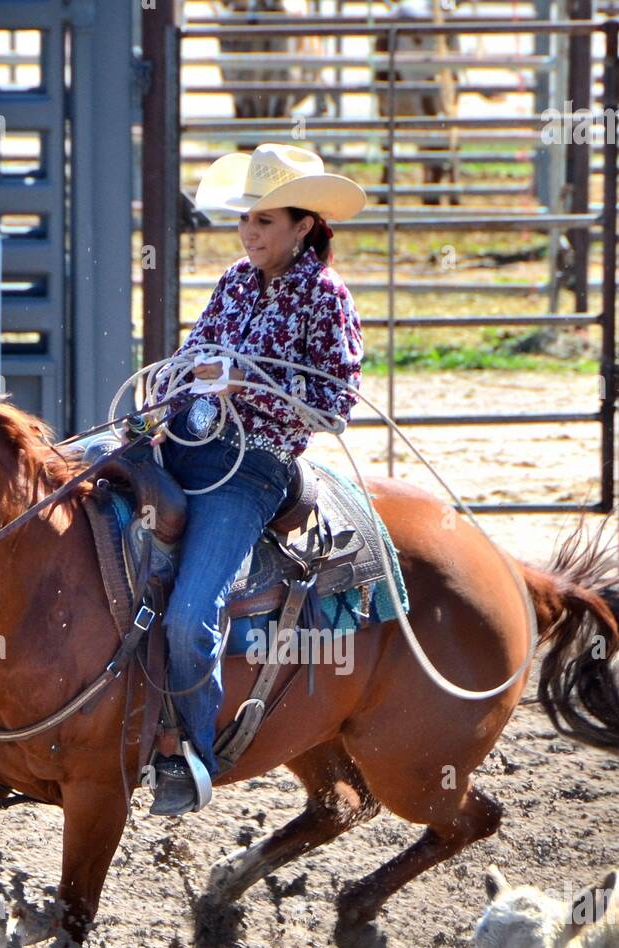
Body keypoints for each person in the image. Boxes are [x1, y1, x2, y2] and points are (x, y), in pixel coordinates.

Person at [144, 143, 367, 815]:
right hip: (185, 442)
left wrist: (255, 381)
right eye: (246, 219)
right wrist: (171, 378)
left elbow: (338, 400)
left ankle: (189, 754)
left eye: (266, 221)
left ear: (304, 226)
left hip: (255, 467)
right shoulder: (235, 281)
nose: (250, 233)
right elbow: (192, 355)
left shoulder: (327, 298)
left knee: (190, 614)